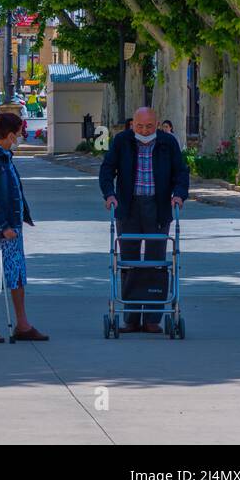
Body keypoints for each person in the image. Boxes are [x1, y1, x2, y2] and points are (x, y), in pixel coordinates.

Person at [99, 106, 189, 334]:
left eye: (149, 126)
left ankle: (152, 318)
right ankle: (130, 318)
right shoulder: (122, 141)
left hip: (158, 208)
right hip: (128, 207)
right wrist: (109, 194)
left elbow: (181, 172)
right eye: (140, 126)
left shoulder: (168, 143)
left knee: (155, 263)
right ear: (132, 125)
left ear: (157, 124)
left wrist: (178, 194)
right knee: (129, 263)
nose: (145, 130)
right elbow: (107, 169)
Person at [0, 112, 46, 342]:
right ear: (9, 133)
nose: (21, 136)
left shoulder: (5, 154)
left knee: (16, 272)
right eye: (19, 132)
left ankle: (22, 325)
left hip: (13, 225)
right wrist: (2, 225)